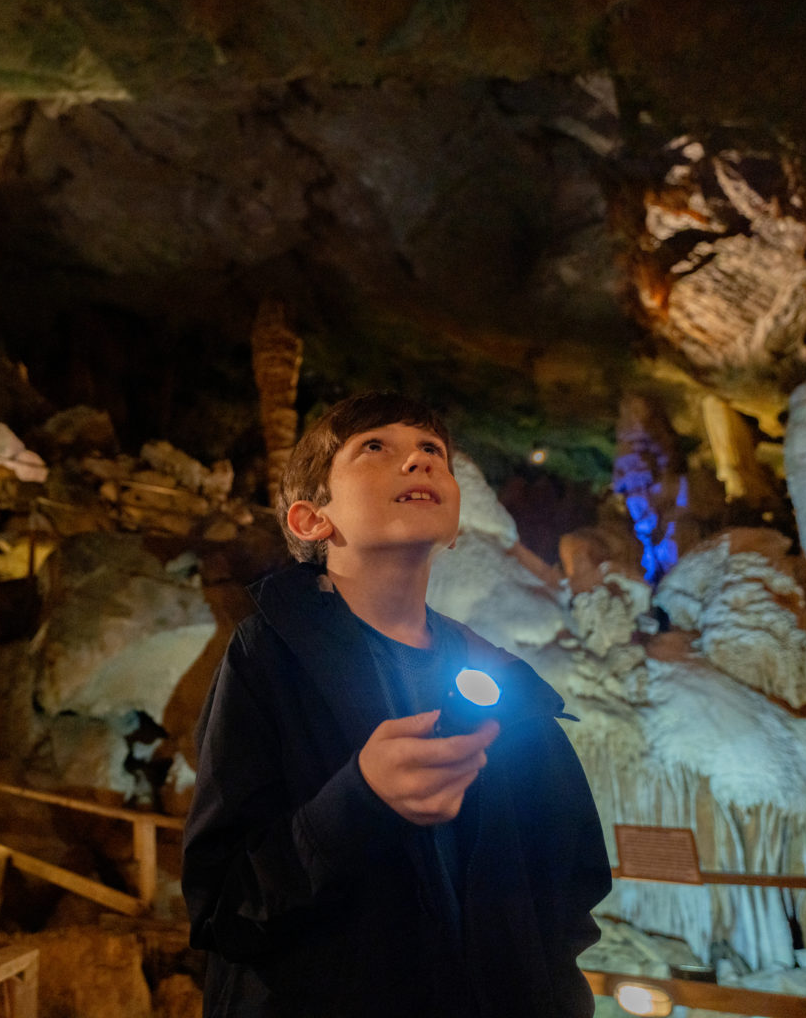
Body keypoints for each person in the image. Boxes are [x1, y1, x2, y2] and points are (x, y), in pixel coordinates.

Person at [181, 391, 611, 1017]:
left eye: (432, 449)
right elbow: (223, 910)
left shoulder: (505, 685)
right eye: (375, 448)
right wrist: (355, 803)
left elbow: (569, 884)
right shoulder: (270, 659)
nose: (419, 461)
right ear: (311, 520)